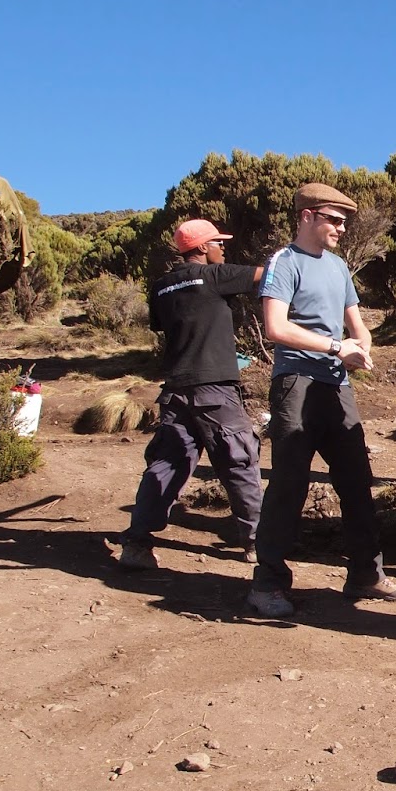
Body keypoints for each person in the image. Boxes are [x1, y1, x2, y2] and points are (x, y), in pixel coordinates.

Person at [246, 183, 396, 618]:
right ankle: (268, 583)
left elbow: (358, 325)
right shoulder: (284, 262)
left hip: (336, 385)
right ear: (306, 217)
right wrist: (336, 347)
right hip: (296, 383)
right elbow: (276, 328)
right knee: (289, 483)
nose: (341, 227)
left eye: (344, 221)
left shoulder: (338, 267)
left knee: (357, 480)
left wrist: (362, 346)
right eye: (333, 219)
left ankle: (365, 574)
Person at [116, 218, 264, 571]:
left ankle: (137, 543)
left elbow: (163, 325)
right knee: (240, 461)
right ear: (201, 248)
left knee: (166, 465)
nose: (223, 248)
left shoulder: (161, 286)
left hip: (176, 389)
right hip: (215, 388)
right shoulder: (213, 276)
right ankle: (258, 542)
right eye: (218, 243)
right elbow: (264, 273)